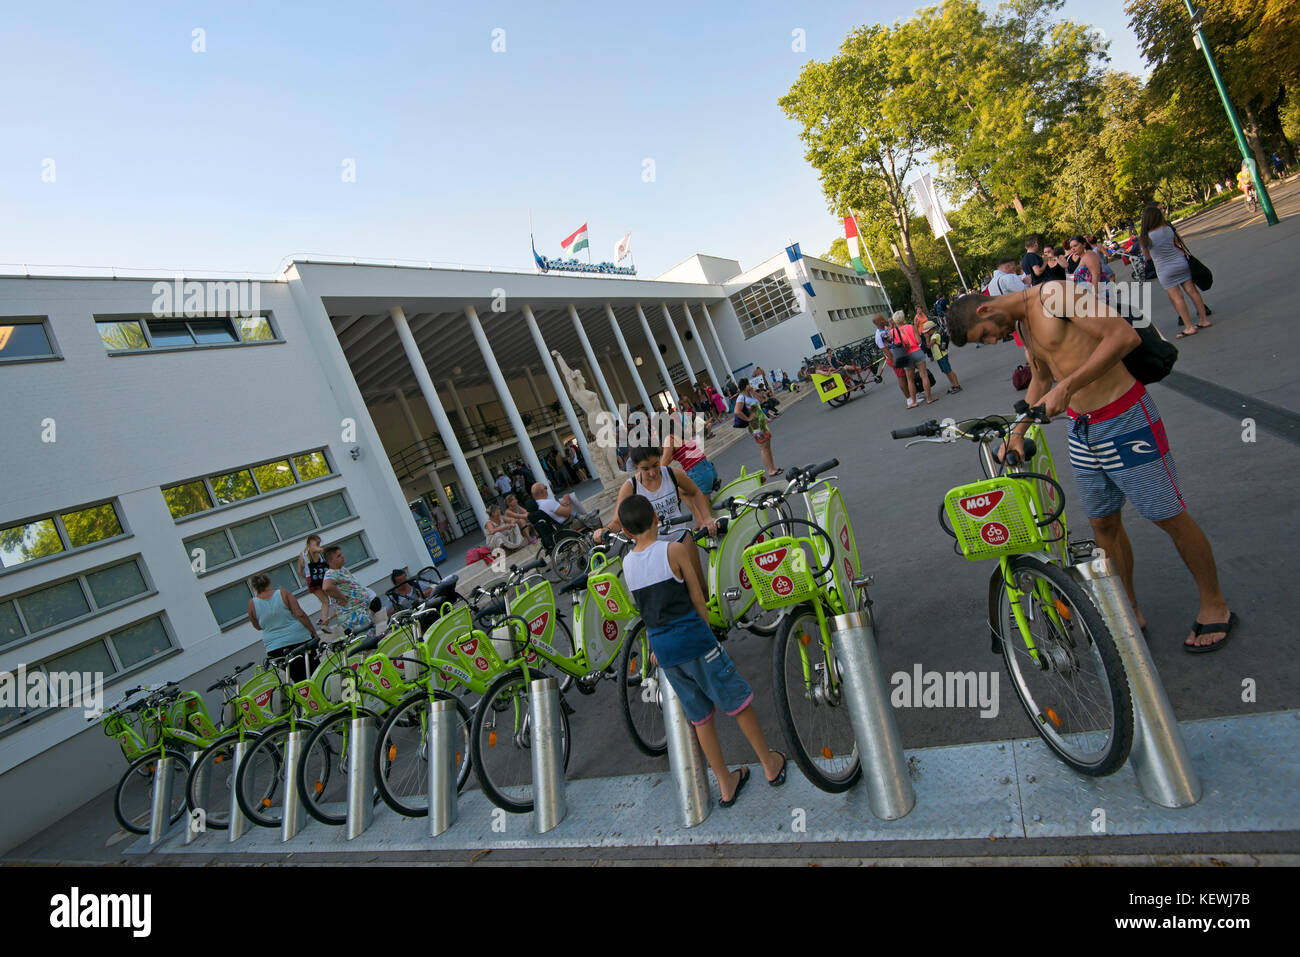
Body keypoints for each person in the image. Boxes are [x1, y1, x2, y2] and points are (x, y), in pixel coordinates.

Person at [943, 285, 1237, 652]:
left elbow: (1122, 337)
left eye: (984, 334)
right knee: (1103, 523)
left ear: (985, 310)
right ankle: (1128, 611)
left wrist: (1067, 388)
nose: (991, 340)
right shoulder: (1023, 327)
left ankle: (1215, 605)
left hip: (1126, 418)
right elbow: (1041, 378)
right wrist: (1017, 431)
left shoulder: (1054, 295)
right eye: (983, 342)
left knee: (1168, 516)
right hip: (1082, 430)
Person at [618, 493, 786, 804]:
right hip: (695, 639)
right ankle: (769, 763)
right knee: (737, 701)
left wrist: (655, 644)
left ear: (626, 533)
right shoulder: (675, 550)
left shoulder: (627, 564)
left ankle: (725, 783)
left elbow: (645, 611)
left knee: (699, 717)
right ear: (656, 518)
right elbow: (697, 597)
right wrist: (706, 631)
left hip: (665, 651)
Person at [1138, 203, 1211, 339]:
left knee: (1177, 297)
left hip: (1164, 269)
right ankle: (1203, 320)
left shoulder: (1145, 238)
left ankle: (1189, 327)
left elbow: (1147, 257)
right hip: (1180, 262)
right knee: (1192, 291)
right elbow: (1176, 243)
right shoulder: (1168, 229)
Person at [248, 573, 319, 681]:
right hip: (299, 640)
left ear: (254, 587)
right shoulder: (283, 594)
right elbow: (300, 614)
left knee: (297, 678)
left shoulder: (252, 604)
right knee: (315, 672)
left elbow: (257, 626)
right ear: (269, 582)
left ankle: (305, 695)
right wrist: (313, 631)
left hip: (275, 647)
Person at [321, 545, 384, 634]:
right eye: (338, 556)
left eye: (341, 554)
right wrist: (341, 597)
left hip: (361, 611)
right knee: (365, 641)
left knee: (371, 638)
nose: (342, 557)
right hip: (353, 616)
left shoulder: (342, 570)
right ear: (330, 561)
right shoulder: (331, 573)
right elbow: (327, 587)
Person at [732, 377, 781, 477]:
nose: (751, 385)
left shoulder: (750, 394)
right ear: (745, 386)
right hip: (755, 426)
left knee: (768, 446)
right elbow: (737, 411)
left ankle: (773, 467)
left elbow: (762, 400)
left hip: (762, 424)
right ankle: (770, 470)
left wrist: (753, 392)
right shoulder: (741, 397)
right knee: (763, 447)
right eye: (749, 384)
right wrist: (748, 419)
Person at [888, 312, 935, 409]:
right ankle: (929, 398)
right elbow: (918, 341)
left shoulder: (892, 332)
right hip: (917, 352)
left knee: (910, 380)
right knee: (924, 375)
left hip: (905, 355)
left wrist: (891, 326)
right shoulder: (911, 326)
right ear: (903, 318)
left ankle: (914, 402)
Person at [875, 313, 911, 403]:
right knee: (901, 377)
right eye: (882, 319)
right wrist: (894, 360)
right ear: (878, 322)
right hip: (894, 357)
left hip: (898, 354)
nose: (884, 320)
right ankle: (909, 399)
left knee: (905, 375)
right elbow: (885, 350)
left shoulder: (884, 330)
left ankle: (912, 394)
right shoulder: (879, 335)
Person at [297, 534, 332, 628]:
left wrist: (309, 578)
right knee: (331, 598)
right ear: (310, 542)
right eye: (317, 542)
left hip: (311, 580)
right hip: (320, 578)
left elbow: (299, 571)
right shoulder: (313, 550)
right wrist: (330, 551)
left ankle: (324, 622)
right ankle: (325, 622)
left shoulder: (302, 554)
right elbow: (318, 550)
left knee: (325, 601)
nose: (318, 545)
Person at [531, 482, 599, 530]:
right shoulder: (548, 503)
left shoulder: (539, 506)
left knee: (589, 517)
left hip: (561, 527)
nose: (547, 489)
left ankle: (583, 517)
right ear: (542, 492)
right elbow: (567, 513)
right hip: (568, 526)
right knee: (595, 518)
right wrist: (566, 499)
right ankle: (599, 541)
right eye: (545, 487)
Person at [922, 319, 961, 394]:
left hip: (942, 356)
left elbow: (929, 346)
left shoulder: (935, 336)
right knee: (946, 372)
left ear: (931, 329)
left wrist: (927, 338)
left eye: (927, 331)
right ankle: (954, 385)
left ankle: (957, 385)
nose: (926, 333)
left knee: (949, 371)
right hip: (939, 357)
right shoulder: (934, 335)